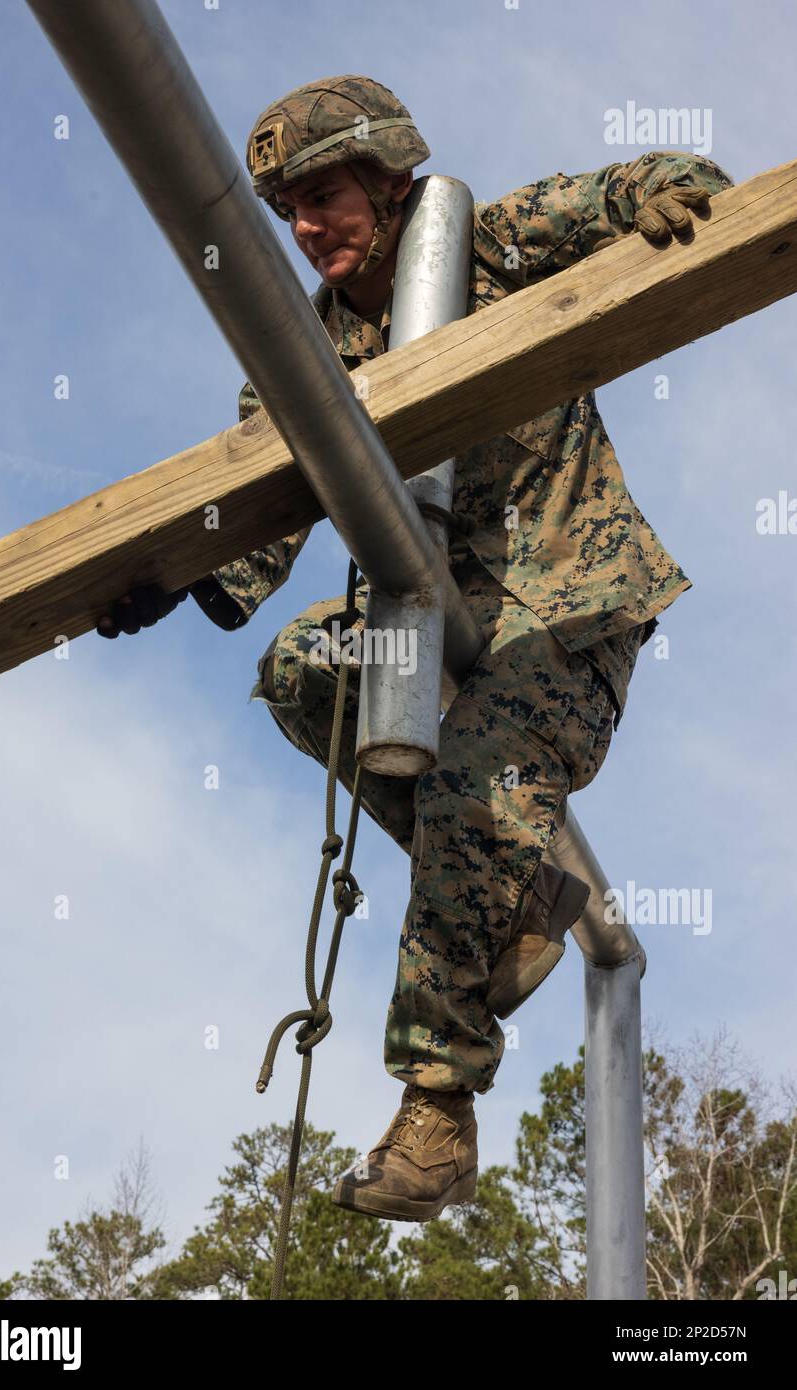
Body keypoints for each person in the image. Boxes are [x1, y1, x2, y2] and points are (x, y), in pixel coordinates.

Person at [98, 75, 732, 1224]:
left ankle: (436, 1109)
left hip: (565, 603)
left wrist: (679, 193)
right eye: (285, 211)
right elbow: (249, 507)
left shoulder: (492, 242)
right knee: (299, 671)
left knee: (485, 767)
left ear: (392, 182)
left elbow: (633, 190)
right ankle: (520, 891)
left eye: (324, 197)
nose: (305, 229)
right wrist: (173, 569)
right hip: (427, 624)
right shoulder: (306, 350)